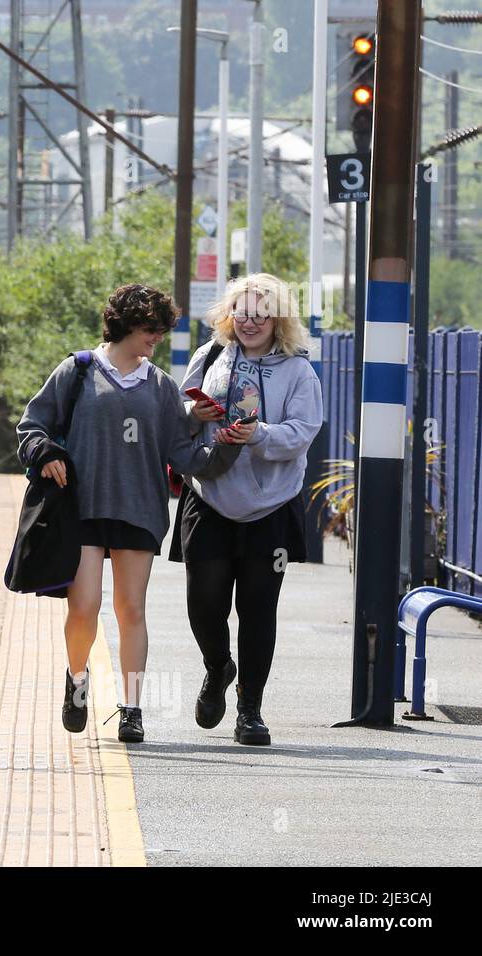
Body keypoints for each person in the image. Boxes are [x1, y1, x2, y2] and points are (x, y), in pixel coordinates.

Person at [17, 283, 240, 743]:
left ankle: (131, 709)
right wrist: (45, 453)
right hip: (80, 508)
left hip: (139, 509)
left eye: (160, 332)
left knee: (130, 609)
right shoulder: (76, 371)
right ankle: (77, 680)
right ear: (125, 325)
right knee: (84, 606)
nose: (155, 339)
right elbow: (32, 425)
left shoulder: (158, 385)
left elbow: (183, 452)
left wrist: (224, 445)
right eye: (149, 330)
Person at [172, 273, 323, 746]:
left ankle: (250, 710)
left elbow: (304, 431)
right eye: (242, 311)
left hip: (271, 507)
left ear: (279, 318)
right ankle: (218, 667)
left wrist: (259, 435)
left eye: (261, 313)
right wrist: (193, 413)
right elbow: (176, 414)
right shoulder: (209, 356)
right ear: (228, 315)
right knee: (205, 603)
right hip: (210, 496)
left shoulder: (299, 371)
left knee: (259, 609)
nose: (250, 321)